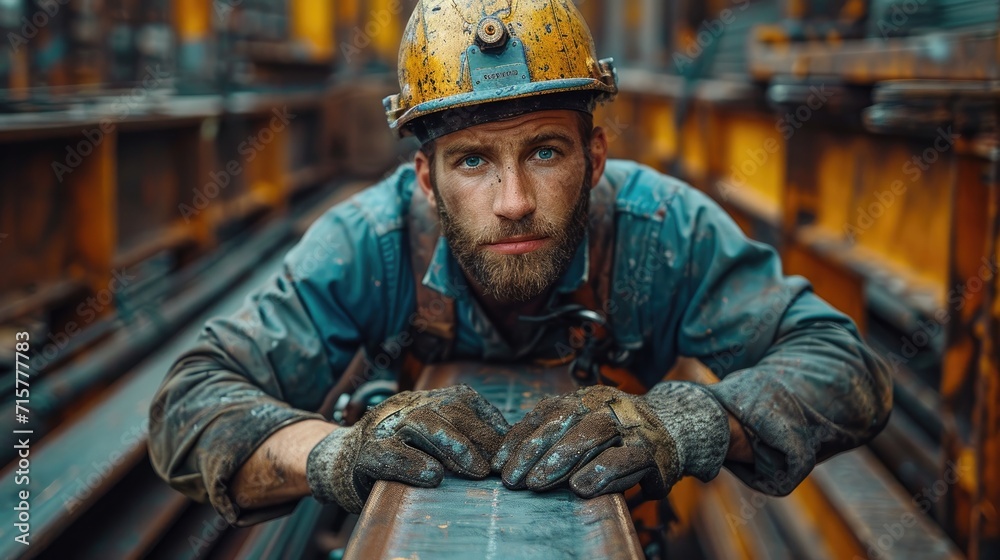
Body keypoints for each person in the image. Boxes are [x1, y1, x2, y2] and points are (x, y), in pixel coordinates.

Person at [149, 0, 892, 527]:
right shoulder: (369, 245)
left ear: (595, 157)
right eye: (472, 160)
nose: (513, 202)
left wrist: (687, 426)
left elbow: (844, 365)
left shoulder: (660, 230)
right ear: (425, 180)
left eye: (545, 151)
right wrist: (338, 454)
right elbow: (190, 405)